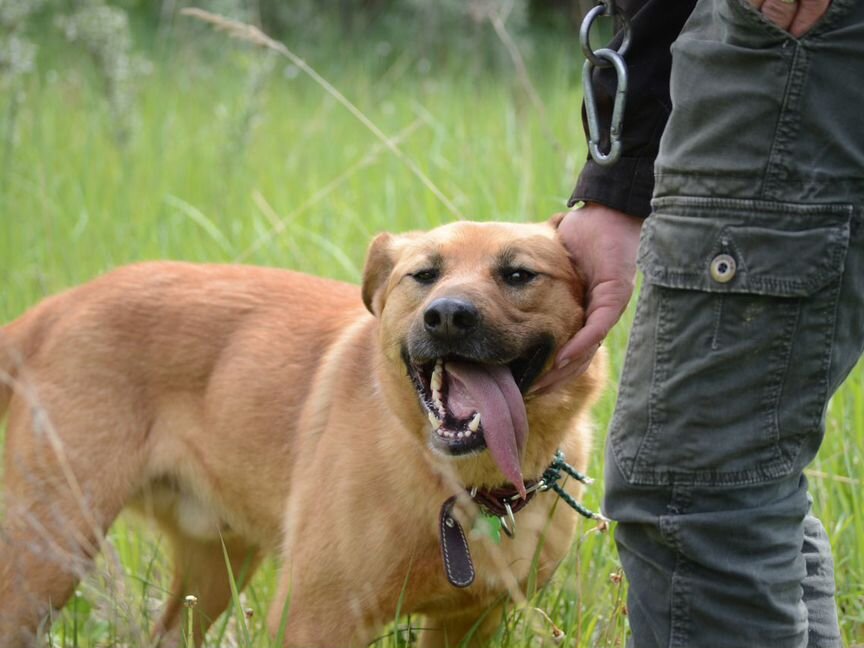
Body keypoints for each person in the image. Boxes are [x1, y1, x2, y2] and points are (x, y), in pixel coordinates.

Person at [533, 0, 862, 645]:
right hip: (770, 46)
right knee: (739, 482)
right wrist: (621, 177)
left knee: (695, 494)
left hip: (783, 43)